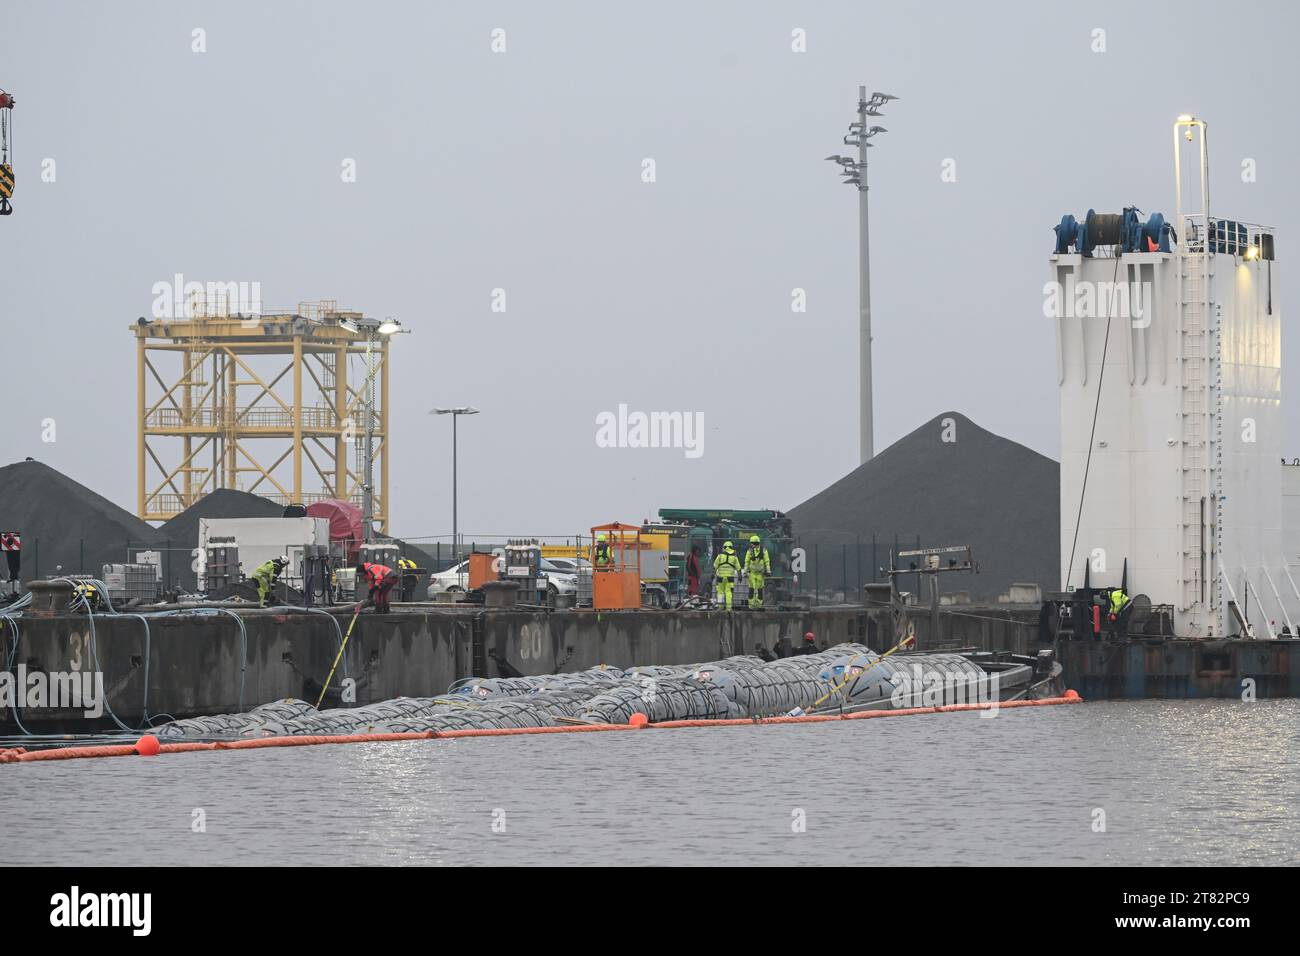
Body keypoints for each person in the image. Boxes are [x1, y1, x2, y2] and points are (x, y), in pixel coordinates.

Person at [743, 534, 770, 609]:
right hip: (752, 573)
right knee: (751, 589)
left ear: (754, 543)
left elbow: (767, 561)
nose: (751, 544)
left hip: (760, 574)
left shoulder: (762, 550)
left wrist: (768, 571)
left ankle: (758, 605)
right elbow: (747, 561)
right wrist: (745, 572)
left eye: (751, 543)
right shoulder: (750, 551)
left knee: (759, 590)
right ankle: (751, 606)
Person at [712, 540, 741, 611]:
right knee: (729, 592)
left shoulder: (720, 555)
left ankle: (720, 607)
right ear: (731, 547)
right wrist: (740, 576)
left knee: (720, 592)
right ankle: (728, 608)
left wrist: (713, 574)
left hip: (720, 577)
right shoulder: (734, 556)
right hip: (730, 578)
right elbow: (738, 568)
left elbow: (715, 566)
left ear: (724, 547)